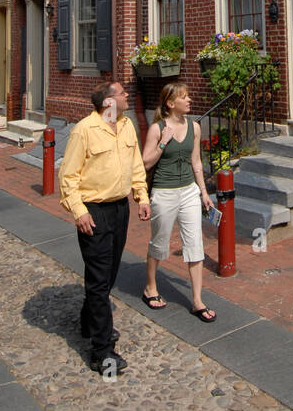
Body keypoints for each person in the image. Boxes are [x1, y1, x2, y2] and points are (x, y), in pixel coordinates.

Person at [59, 81, 150, 374]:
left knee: (109, 273)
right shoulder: (84, 130)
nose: (126, 96)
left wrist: (142, 195)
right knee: (99, 278)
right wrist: (79, 211)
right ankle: (102, 352)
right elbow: (68, 175)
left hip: (120, 208)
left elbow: (136, 164)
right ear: (108, 101)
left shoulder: (126, 126)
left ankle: (89, 323)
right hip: (94, 210)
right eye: (121, 93)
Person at [141, 81, 216, 322]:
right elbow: (145, 163)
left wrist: (203, 191)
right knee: (160, 242)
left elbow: (196, 162)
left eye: (188, 96)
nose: (189, 100)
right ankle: (150, 287)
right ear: (171, 103)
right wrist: (163, 141)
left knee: (195, 243)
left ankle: (197, 301)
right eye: (184, 97)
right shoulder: (157, 128)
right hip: (164, 192)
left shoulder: (194, 127)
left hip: (189, 193)